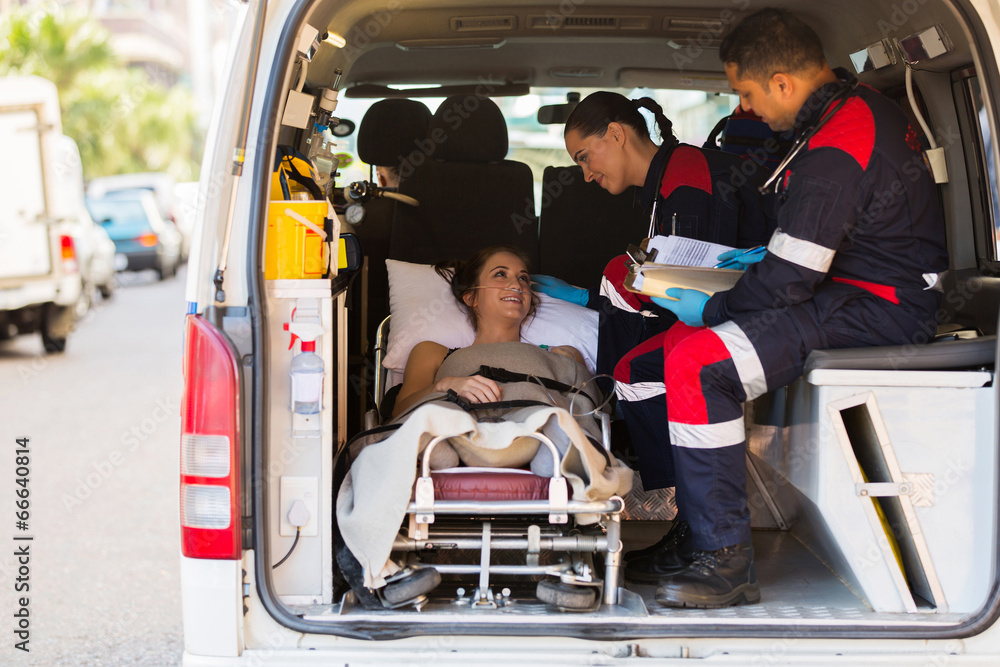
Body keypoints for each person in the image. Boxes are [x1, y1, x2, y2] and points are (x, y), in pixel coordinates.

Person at [627, 8, 949, 608]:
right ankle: (698, 528)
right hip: (850, 290)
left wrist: (714, 308)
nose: (745, 108)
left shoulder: (837, 146)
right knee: (676, 349)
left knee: (699, 361)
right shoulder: (852, 112)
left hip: (880, 307)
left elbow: (788, 280)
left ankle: (724, 561)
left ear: (781, 81)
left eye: (746, 93)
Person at [533, 92, 775, 496]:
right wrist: (587, 296)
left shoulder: (687, 181)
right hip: (732, 305)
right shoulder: (669, 181)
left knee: (635, 373)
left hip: (754, 311)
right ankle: (618, 419)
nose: (586, 174)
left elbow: (696, 281)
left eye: (583, 157)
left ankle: (676, 502)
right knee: (618, 275)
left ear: (614, 134)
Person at [392, 245, 585, 418]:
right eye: (501, 274)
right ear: (471, 297)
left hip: (541, 440)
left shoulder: (562, 355)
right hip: (452, 439)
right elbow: (399, 414)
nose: (517, 285)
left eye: (523, 278)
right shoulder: (432, 353)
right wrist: (443, 387)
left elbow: (588, 413)